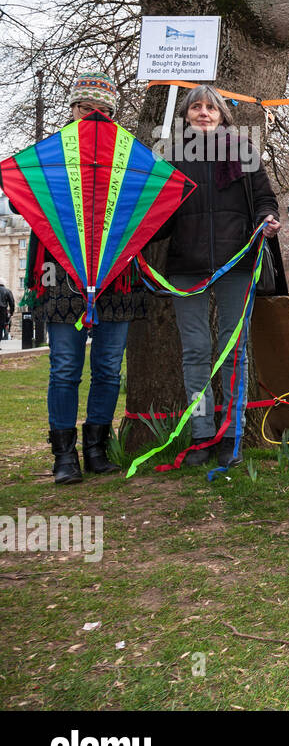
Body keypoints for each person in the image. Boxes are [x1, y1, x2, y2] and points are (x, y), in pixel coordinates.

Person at [24, 72, 148, 483]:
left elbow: (153, 206)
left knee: (109, 368)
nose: (93, 116)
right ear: (73, 110)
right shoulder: (51, 156)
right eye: (85, 109)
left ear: (113, 115)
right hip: (61, 279)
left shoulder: (131, 157)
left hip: (117, 278)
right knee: (64, 368)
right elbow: (20, 194)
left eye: (102, 111)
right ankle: (64, 455)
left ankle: (96, 448)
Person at [160, 85, 280, 467]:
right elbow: (157, 216)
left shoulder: (243, 152)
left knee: (233, 352)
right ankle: (201, 435)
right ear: (186, 115)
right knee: (195, 351)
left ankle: (231, 433)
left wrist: (267, 220)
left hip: (236, 264)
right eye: (195, 107)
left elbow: (264, 200)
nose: (203, 113)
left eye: (210, 108)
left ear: (223, 115)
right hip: (186, 266)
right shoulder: (169, 157)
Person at [0, 278, 14, 342]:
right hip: (2, 311)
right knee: (0, 327)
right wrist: (11, 312)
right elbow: (12, 303)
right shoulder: (7, 291)